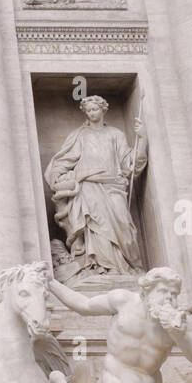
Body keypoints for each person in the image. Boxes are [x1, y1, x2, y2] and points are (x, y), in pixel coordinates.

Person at [46, 267, 192, 383]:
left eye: (174, 294)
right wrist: (51, 282)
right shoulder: (123, 301)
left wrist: (179, 335)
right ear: (146, 291)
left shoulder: (180, 322)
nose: (169, 299)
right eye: (163, 291)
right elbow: (84, 305)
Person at [45, 94, 146, 280]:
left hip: (113, 186)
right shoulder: (80, 136)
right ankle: (104, 267)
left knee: (123, 223)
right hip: (88, 186)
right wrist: (57, 175)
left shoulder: (115, 134)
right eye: (89, 110)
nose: (92, 113)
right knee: (95, 226)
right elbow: (65, 160)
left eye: (95, 109)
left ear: (103, 109)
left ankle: (126, 266)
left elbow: (129, 164)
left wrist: (142, 140)